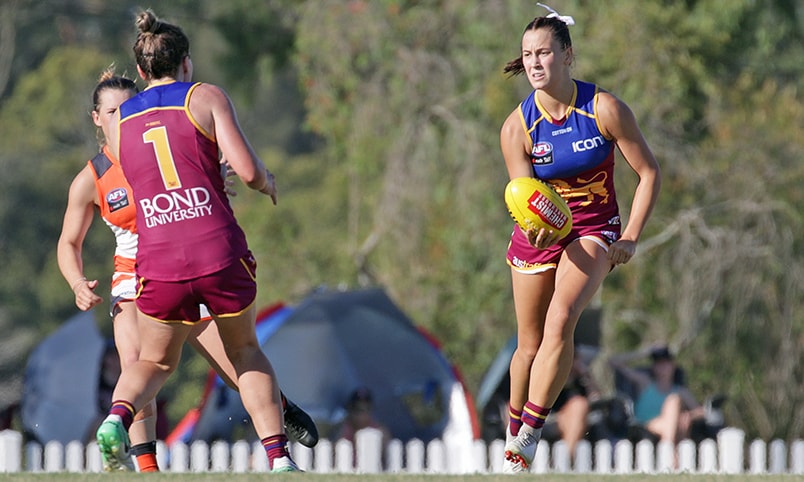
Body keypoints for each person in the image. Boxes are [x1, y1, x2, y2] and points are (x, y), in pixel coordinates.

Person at [57, 69, 317, 472]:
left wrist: (217, 179)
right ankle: (145, 467)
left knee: (236, 368)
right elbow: (69, 242)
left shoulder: (162, 149)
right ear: (96, 118)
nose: (119, 117)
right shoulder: (93, 179)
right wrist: (76, 282)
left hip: (184, 268)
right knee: (136, 365)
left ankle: (281, 407)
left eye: (126, 109)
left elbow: (201, 182)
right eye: (110, 112)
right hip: (134, 282)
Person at [499, 4, 661, 473]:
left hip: (593, 229)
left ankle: (527, 438)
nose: (534, 62)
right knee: (527, 345)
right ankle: (512, 434)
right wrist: (532, 223)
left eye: (544, 52)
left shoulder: (603, 108)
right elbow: (523, 194)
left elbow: (648, 173)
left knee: (562, 317)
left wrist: (630, 236)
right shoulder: (517, 128)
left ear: (567, 56)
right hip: (541, 232)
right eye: (527, 54)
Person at [608, 344, 705, 443]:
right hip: (646, 426)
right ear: (654, 367)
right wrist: (645, 352)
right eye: (659, 364)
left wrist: (689, 415)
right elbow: (613, 361)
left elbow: (701, 412)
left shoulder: (681, 391)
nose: (662, 367)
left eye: (665, 363)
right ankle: (670, 451)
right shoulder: (645, 383)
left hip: (673, 425)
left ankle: (669, 448)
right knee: (673, 401)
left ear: (673, 365)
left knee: (674, 403)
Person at [542, 352, 602, 458]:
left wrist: (586, 376)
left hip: (578, 419)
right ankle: (567, 458)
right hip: (549, 418)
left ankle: (567, 458)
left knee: (579, 406)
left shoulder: (581, 381)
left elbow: (596, 399)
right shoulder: (547, 377)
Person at [335, 387, 391, 466]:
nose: (361, 415)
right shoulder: (342, 430)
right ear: (350, 410)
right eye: (357, 409)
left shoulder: (381, 432)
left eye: (366, 409)